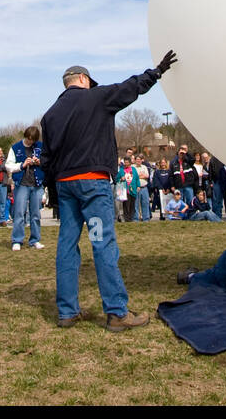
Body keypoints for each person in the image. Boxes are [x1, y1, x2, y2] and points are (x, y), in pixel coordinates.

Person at [41, 52, 176, 331]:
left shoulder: (50, 115)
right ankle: (116, 312)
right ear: (83, 79)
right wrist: (157, 71)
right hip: (92, 182)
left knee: (67, 245)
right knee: (102, 243)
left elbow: (46, 159)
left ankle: (67, 312)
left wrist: (54, 192)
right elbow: (130, 87)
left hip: (65, 186)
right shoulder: (97, 97)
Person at [7, 127, 46, 251]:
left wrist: (40, 162)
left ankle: (35, 240)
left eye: (32, 141)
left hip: (36, 184)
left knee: (35, 214)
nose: (30, 142)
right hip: (22, 184)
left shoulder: (41, 146)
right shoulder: (15, 148)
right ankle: (17, 240)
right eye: (28, 140)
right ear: (25, 136)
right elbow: (8, 166)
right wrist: (22, 165)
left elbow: (48, 161)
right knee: (19, 213)